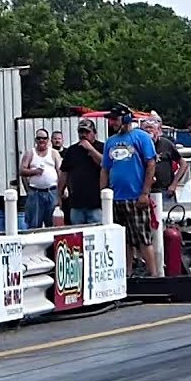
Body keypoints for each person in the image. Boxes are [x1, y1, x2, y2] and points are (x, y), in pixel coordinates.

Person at [100, 103, 159, 276]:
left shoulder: (141, 137)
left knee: (143, 238)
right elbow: (105, 168)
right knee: (123, 240)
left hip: (136, 196)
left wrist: (145, 192)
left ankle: (153, 275)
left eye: (115, 119)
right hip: (116, 197)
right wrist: (103, 194)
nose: (112, 123)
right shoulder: (110, 142)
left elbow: (151, 164)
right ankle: (127, 274)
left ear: (126, 119)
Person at [58, 119, 105, 225]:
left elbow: (105, 164)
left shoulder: (102, 147)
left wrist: (91, 150)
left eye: (87, 132)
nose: (83, 135)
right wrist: (59, 194)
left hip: (96, 202)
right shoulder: (72, 150)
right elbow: (64, 173)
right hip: (76, 202)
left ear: (94, 133)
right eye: (81, 132)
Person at [20, 128, 61, 229]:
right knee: (34, 223)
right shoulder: (30, 153)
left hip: (52, 191)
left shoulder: (54, 153)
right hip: (35, 192)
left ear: (48, 140)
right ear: (35, 140)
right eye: (39, 138)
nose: (41, 141)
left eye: (44, 138)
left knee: (52, 224)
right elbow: (22, 171)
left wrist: (62, 191)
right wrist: (34, 172)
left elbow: (60, 171)